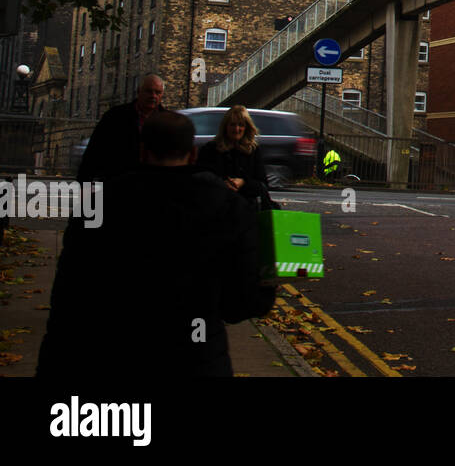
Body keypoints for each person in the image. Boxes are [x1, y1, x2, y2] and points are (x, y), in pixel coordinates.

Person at [37, 110, 276, 378]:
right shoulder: (226, 207)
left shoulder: (99, 207)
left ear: (142, 151)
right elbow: (242, 303)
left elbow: (69, 300)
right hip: (196, 354)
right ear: (192, 155)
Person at [77, 74, 165, 183]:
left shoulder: (169, 121)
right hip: (117, 185)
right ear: (138, 91)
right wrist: (84, 186)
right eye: (148, 91)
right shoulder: (115, 117)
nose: (153, 96)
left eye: (158, 92)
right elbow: (94, 152)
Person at [197, 105, 277, 211]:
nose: (236, 129)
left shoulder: (252, 150)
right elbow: (201, 181)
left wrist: (243, 183)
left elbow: (262, 185)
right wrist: (222, 184)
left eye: (241, 125)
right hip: (217, 210)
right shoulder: (210, 149)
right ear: (225, 126)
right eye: (232, 125)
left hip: (246, 211)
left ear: (246, 127)